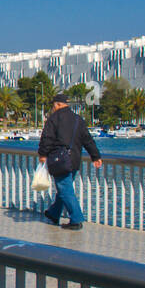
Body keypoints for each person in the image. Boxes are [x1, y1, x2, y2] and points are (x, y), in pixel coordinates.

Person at [38, 94, 103, 230]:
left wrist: (43, 154)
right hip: (74, 159)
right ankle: (54, 213)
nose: (53, 108)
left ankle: (76, 219)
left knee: (64, 188)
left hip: (59, 160)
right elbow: (87, 139)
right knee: (64, 187)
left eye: (53, 105)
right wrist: (95, 156)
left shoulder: (54, 119)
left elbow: (47, 138)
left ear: (57, 104)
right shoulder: (78, 119)